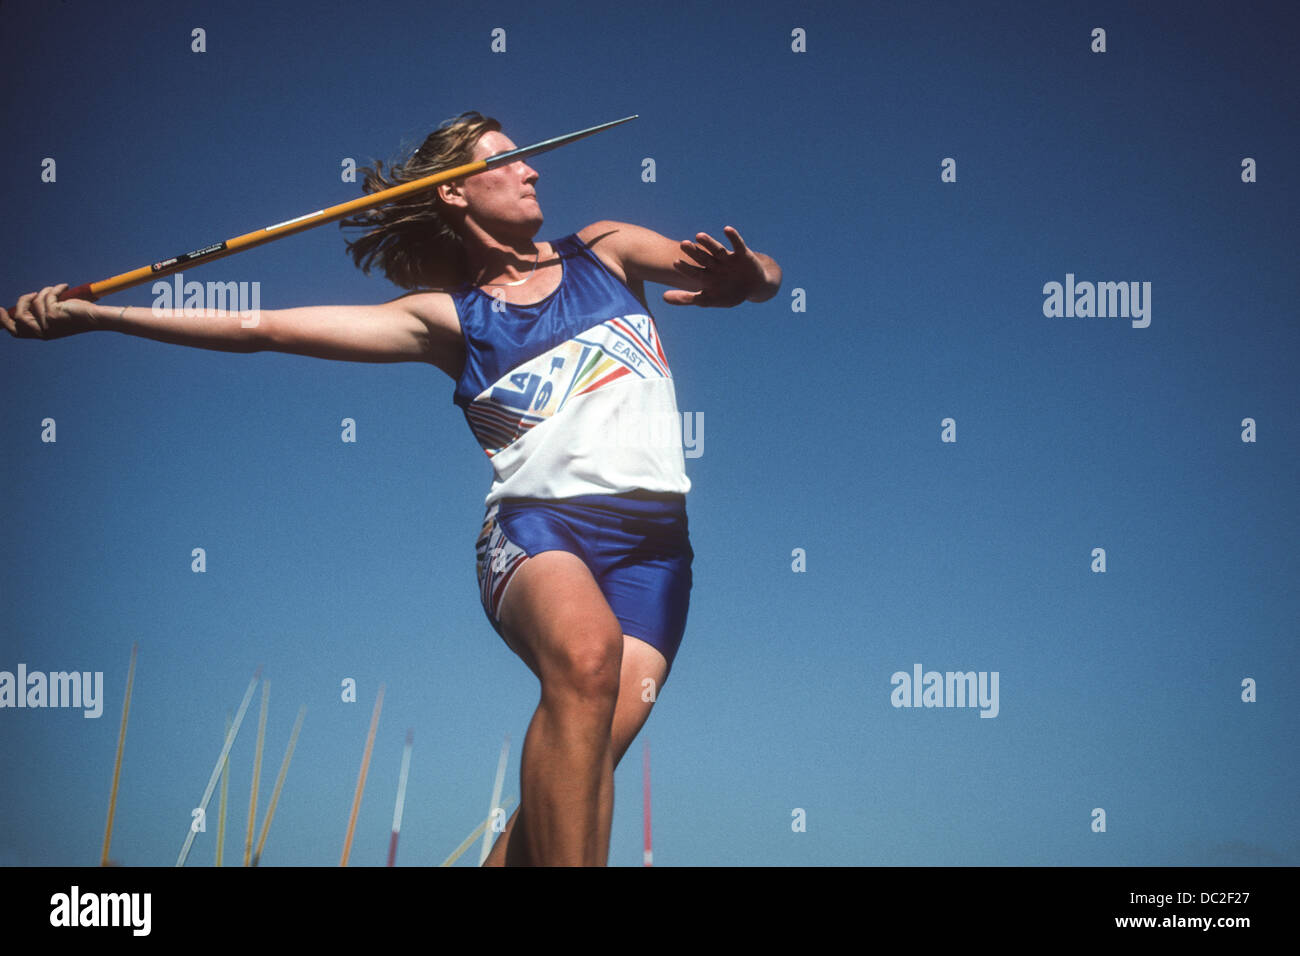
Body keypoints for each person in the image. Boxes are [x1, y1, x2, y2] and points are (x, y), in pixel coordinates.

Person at [2, 111, 782, 866]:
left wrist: (750, 276)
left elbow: (755, 278)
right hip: (541, 533)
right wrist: (101, 318)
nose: (531, 167)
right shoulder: (445, 321)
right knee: (586, 657)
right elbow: (261, 328)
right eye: (506, 159)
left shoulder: (606, 250)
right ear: (454, 190)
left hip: (657, 557)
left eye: (528, 154)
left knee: (572, 786)